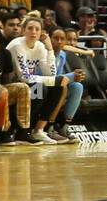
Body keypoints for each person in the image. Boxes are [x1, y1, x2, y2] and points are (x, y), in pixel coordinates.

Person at [6, 14, 69, 144]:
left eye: (37, 29)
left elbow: (50, 74)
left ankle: (39, 130)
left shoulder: (40, 46)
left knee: (58, 88)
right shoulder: (17, 45)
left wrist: (50, 49)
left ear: (41, 32)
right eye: (30, 28)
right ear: (23, 30)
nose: (33, 32)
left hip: (28, 85)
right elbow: (23, 77)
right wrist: (51, 80)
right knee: (40, 88)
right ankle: (22, 131)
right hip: (11, 85)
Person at [49, 26, 87, 140]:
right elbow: (48, 77)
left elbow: (58, 77)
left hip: (53, 85)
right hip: (38, 87)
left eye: (62, 38)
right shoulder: (44, 52)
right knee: (61, 88)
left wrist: (74, 77)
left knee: (77, 86)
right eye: (56, 38)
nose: (59, 41)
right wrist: (71, 76)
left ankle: (64, 127)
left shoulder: (62, 55)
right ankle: (49, 128)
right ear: (49, 39)